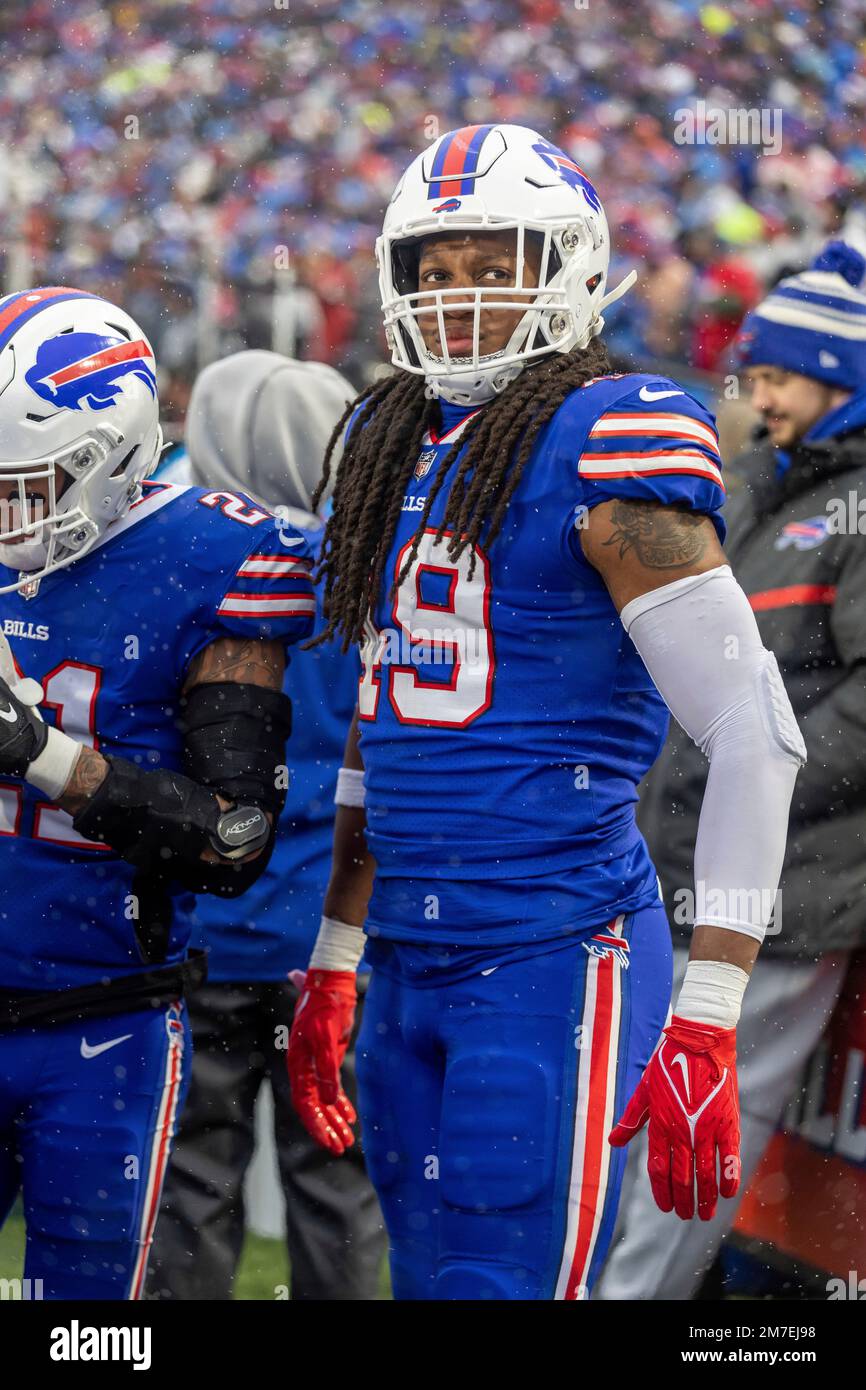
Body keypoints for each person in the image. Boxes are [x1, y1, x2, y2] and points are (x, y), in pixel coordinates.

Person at [285, 124, 806, 1301]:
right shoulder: (383, 436)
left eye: (492, 264)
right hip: (408, 963)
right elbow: (386, 722)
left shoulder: (611, 431)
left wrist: (709, 1010)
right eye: (434, 269)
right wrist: (335, 950)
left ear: (566, 267)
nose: (457, 297)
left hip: (553, 953)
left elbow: (753, 728)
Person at [0, 289, 315, 1299]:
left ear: (110, 453)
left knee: (90, 1320)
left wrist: (45, 755)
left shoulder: (215, 558)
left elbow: (232, 838)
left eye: (26, 485)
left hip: (102, 1023)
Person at [598, 241, 866, 1300]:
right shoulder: (750, 476)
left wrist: (757, 783)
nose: (756, 396)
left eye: (777, 377)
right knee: (638, 1127)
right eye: (751, 376)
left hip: (793, 886)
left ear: (840, 378)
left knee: (694, 1143)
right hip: (693, 869)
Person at [147, 351, 385, 1301]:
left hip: (205, 930)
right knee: (336, 1184)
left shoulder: (188, 573)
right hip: (332, 938)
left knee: (189, 1184)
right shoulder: (373, 576)